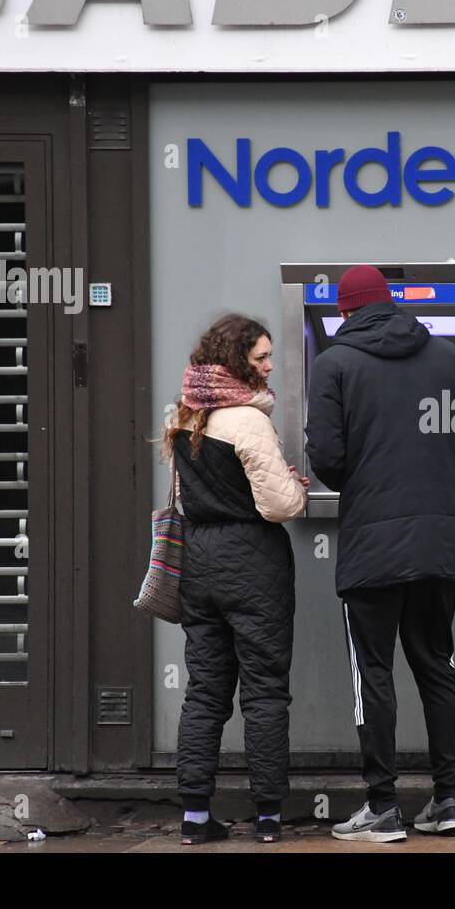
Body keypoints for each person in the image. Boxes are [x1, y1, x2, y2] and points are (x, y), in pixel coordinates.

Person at [305, 265, 455, 843]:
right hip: (437, 540)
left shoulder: (332, 363)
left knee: (374, 672)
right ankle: (449, 799)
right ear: (393, 304)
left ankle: (383, 806)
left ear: (344, 312)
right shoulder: (444, 355)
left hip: (371, 545)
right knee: (436, 666)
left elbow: (329, 462)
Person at [164, 314, 309, 846]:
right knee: (265, 692)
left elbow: (185, 499)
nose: (270, 367)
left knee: (204, 693)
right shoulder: (248, 420)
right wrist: (298, 489)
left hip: (199, 563)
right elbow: (277, 505)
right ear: (235, 363)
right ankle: (268, 817)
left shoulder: (186, 416)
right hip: (253, 565)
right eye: (261, 359)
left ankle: (196, 818)